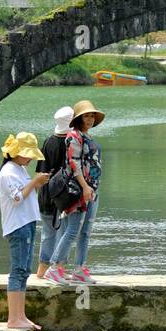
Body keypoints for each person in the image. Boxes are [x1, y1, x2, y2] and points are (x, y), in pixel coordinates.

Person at [42, 99, 104, 285]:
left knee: (85, 232)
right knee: (72, 230)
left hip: (92, 190)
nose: (90, 119)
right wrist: (85, 187)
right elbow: (73, 164)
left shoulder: (88, 137)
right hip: (78, 191)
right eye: (86, 116)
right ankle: (54, 268)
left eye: (92, 115)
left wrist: (91, 189)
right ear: (78, 118)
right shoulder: (73, 136)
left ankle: (79, 268)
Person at [0, 133, 49, 328]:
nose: (30, 159)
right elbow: (17, 198)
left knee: (25, 270)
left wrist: (35, 182)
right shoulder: (8, 172)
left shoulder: (19, 169)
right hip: (17, 225)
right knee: (18, 270)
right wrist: (35, 183)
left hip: (26, 222)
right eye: (27, 154)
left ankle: (21, 316)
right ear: (17, 153)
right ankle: (14, 318)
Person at [36, 105, 73, 280]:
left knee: (47, 233)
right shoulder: (70, 143)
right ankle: (58, 268)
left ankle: (42, 269)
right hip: (62, 197)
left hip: (45, 195)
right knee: (62, 232)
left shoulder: (48, 142)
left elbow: (41, 173)